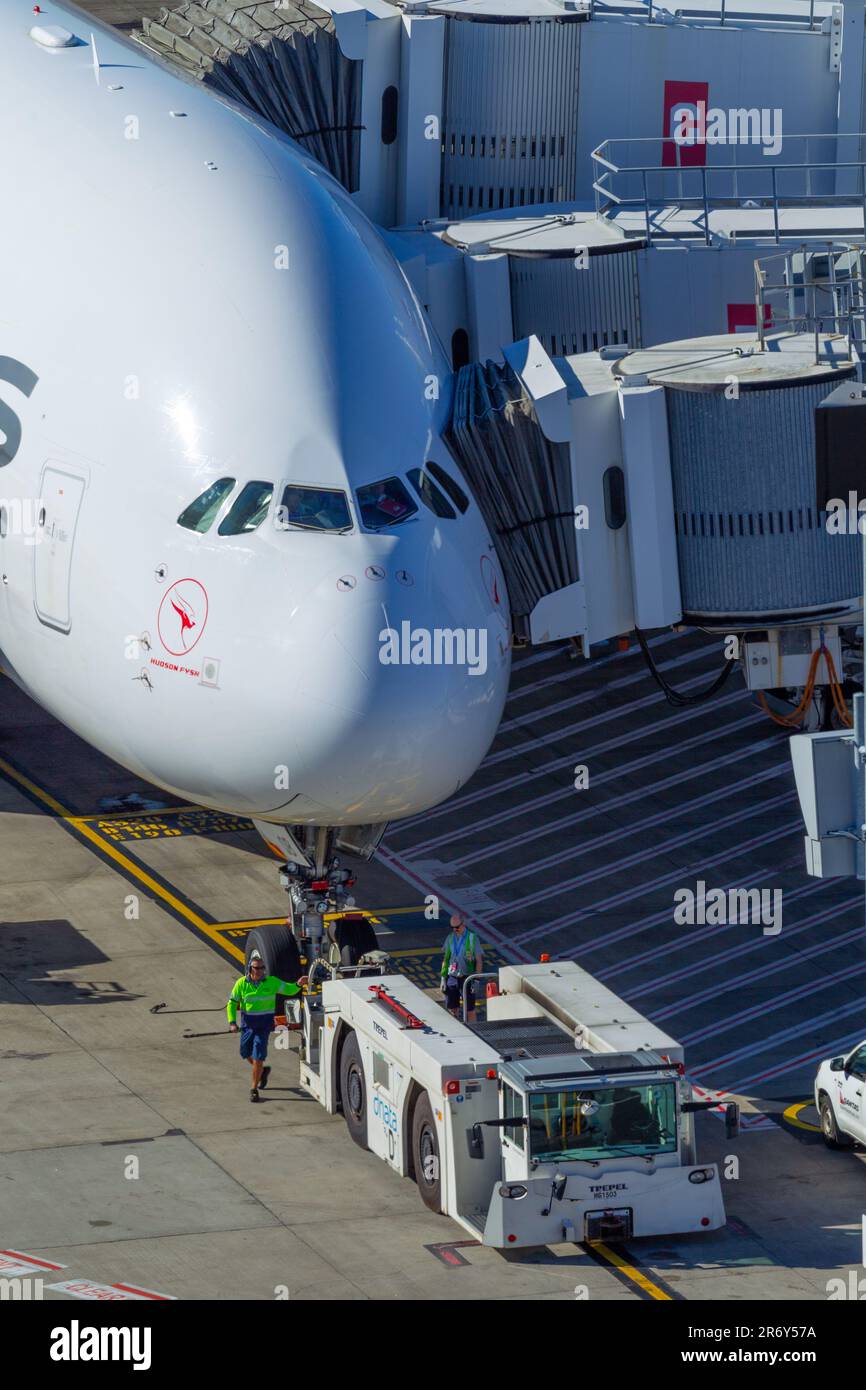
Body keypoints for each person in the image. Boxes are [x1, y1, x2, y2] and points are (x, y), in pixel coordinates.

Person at [227, 958, 308, 1102]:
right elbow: (232, 1004)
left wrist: (298, 984)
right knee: (244, 1052)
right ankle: (262, 1071)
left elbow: (288, 989)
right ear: (250, 969)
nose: (259, 971)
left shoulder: (272, 982)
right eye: (256, 968)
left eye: (262, 968)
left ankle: (254, 1088)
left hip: (263, 1027)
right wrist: (232, 1022)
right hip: (248, 1027)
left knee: (258, 1056)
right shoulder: (241, 984)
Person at [440, 913, 483, 1021]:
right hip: (452, 977)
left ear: (463, 924)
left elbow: (479, 961)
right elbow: (446, 959)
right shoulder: (450, 938)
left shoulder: (473, 938)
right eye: (452, 927)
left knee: (470, 1009)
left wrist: (476, 979)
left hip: (467, 977)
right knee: (452, 1008)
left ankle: (474, 1031)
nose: (455, 929)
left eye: (457, 927)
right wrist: (443, 978)